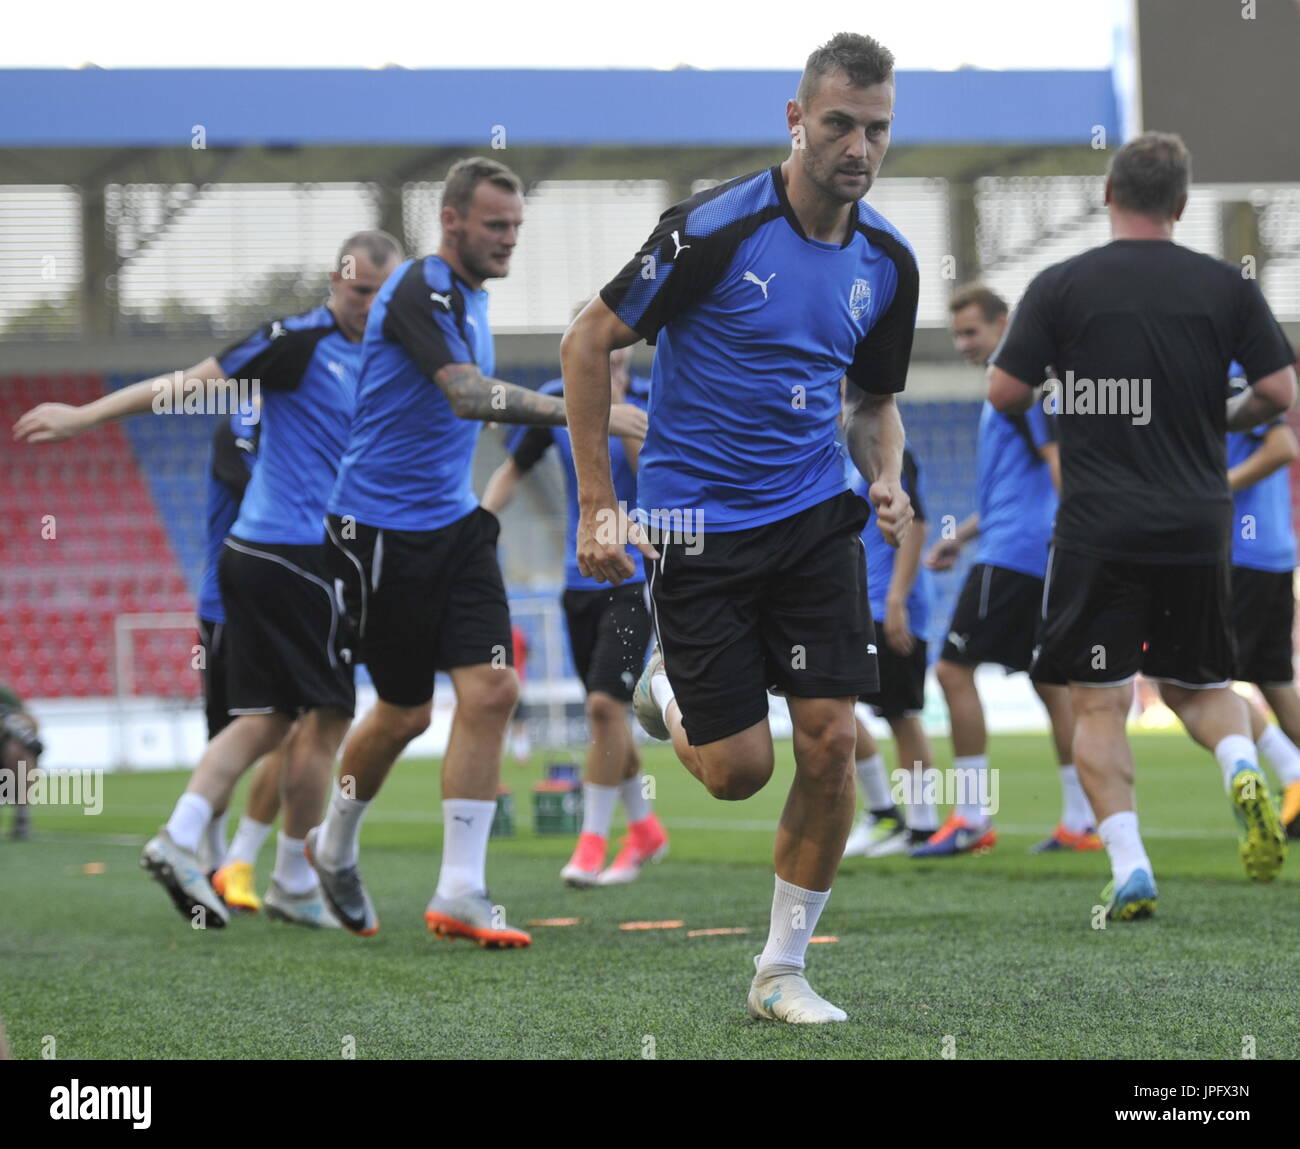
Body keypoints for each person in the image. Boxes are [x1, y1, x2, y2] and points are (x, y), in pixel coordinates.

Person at [564, 32, 918, 1023]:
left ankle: (780, 971)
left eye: (877, 128)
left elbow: (872, 403)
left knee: (829, 742)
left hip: (813, 517)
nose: (859, 145)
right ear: (796, 120)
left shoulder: (887, 262)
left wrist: (883, 476)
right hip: (696, 527)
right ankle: (670, 684)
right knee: (735, 772)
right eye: (840, 122)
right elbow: (586, 339)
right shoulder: (712, 231)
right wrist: (601, 502)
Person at [15, 229, 405, 928]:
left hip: (270, 558)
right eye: (358, 290)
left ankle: (180, 836)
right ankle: (288, 874)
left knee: (271, 720)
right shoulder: (296, 341)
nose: (369, 305)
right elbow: (188, 386)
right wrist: (85, 416)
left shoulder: (382, 355)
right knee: (330, 716)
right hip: (292, 556)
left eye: (382, 294)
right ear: (334, 279)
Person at [308, 158, 647, 945]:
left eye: (517, 227)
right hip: (376, 531)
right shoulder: (419, 286)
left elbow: (469, 414)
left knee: (494, 689)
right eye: (496, 225)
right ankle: (333, 844)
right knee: (403, 712)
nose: (509, 240)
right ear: (452, 220)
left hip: (455, 525)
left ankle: (461, 888)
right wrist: (579, 412)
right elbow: (465, 394)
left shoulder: (472, 299)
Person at [988, 132, 1297, 920]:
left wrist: (1070, 393)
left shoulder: (1061, 285)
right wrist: (1219, 416)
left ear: (1107, 192)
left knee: (1098, 700)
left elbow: (1002, 393)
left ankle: (1130, 865)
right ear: (1182, 204)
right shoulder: (1226, 287)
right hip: (1198, 523)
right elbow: (1278, 391)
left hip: (1099, 526)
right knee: (1202, 686)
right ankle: (1240, 764)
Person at [482, 334, 668, 887]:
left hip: (634, 576)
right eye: (594, 348)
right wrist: (478, 528)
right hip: (578, 575)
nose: (607, 358)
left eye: (615, 349)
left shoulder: (647, 401)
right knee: (608, 714)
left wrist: (620, 416)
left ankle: (591, 844)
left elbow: (656, 479)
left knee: (604, 707)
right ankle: (646, 830)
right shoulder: (555, 400)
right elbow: (514, 466)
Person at [920, 284, 1093, 856]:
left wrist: (1083, 543)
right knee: (1051, 683)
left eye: (973, 331)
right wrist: (959, 537)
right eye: (958, 335)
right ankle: (1080, 820)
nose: (965, 344)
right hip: (1022, 545)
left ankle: (970, 817)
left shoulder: (1023, 390)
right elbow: (1013, 489)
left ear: (1005, 324)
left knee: (951, 671)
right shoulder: (1015, 391)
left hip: (1017, 554)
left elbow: (1059, 466)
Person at [842, 442, 940, 856]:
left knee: (900, 714)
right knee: (830, 704)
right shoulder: (842, 454)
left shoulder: (887, 451)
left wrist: (897, 600)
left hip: (891, 607)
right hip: (860, 603)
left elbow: (916, 525)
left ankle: (921, 826)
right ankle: (886, 813)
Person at [1224, 367, 1300, 837]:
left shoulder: (1233, 374)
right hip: (1270, 552)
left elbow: (1281, 447)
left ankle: (1286, 776)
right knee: (1273, 679)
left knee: (1194, 680)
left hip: (1242, 556)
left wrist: (1214, 489)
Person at [0, 684, 42, 840]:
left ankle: (22, 815)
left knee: (20, 751)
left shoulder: (4, 695)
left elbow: (32, 724)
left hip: (6, 765)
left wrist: (12, 721)